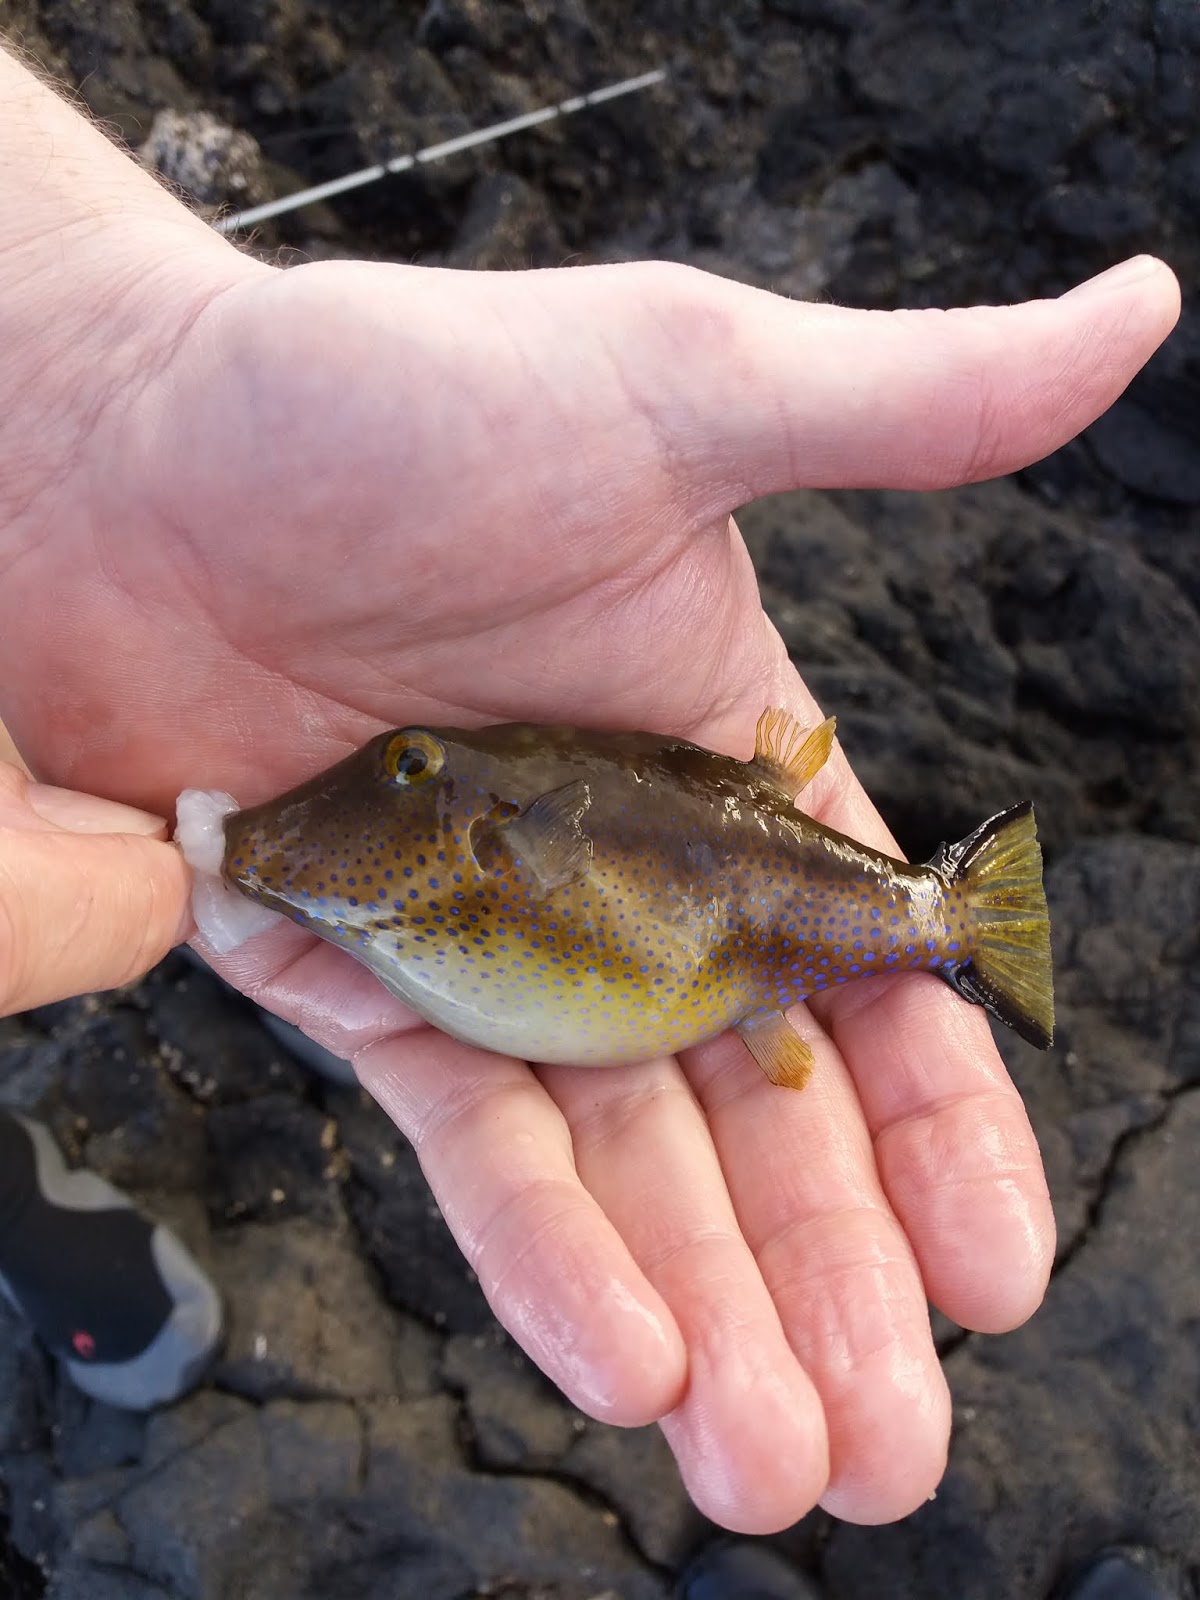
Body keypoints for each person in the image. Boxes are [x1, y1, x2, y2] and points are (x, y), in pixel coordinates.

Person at [0, 42, 1181, 1537]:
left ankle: (949, 919)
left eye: (411, 767)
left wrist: (84, 360)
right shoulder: (403, 868)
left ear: (456, 814)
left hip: (723, 931)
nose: (388, 775)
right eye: (403, 768)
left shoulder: (446, 853)